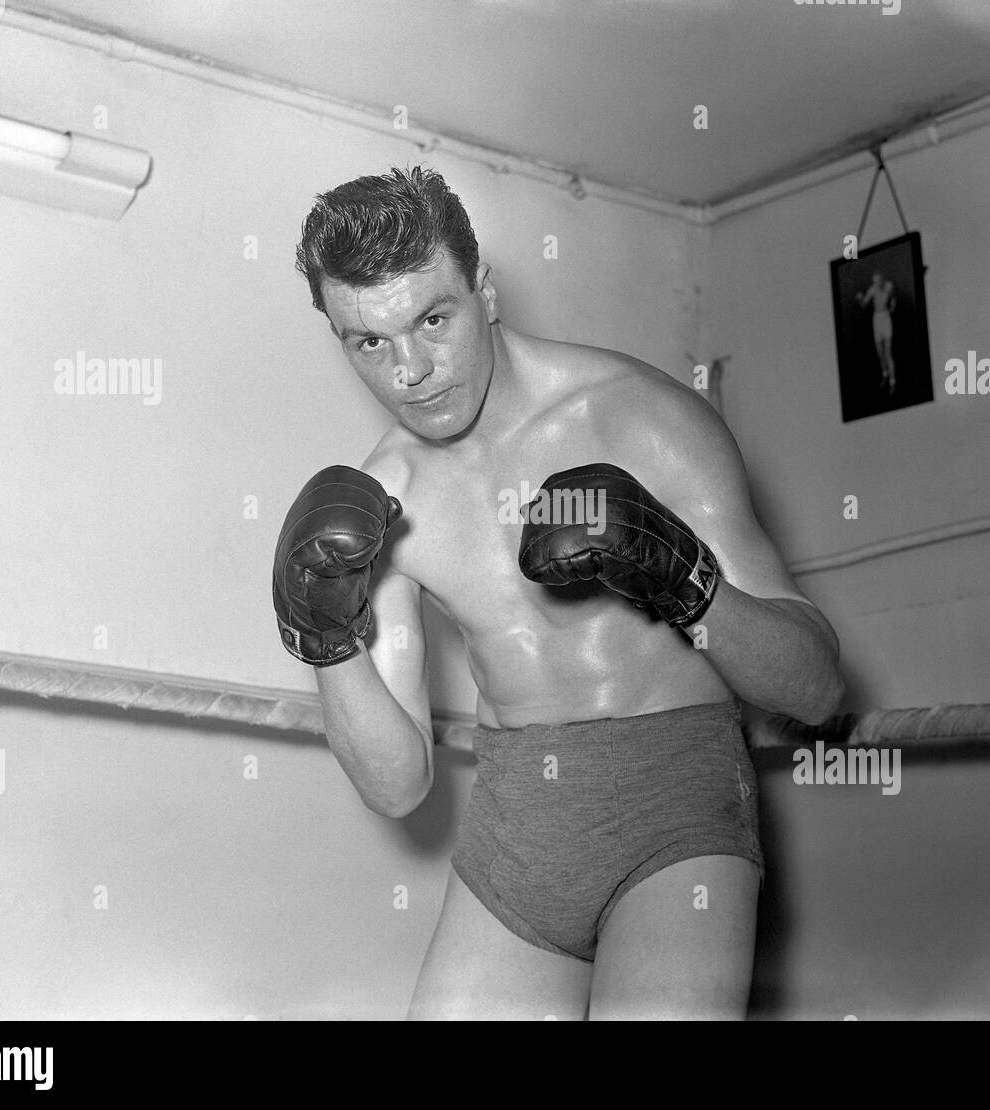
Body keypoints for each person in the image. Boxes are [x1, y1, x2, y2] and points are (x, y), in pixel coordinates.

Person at [273, 166, 844, 1020]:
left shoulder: (641, 419)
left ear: (487, 293)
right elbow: (398, 786)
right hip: (517, 829)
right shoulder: (382, 497)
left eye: (433, 319)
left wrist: (688, 587)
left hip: (676, 810)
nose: (412, 371)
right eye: (370, 342)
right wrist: (323, 639)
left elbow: (819, 687)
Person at [856, 270, 897, 392]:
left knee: (888, 351)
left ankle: (892, 381)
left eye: (877, 281)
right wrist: (860, 299)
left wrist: (893, 305)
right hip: (877, 320)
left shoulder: (889, 286)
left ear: (882, 280)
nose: (875, 284)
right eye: (873, 282)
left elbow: (893, 296)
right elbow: (864, 304)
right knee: (880, 352)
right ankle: (885, 373)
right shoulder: (872, 289)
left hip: (886, 318)